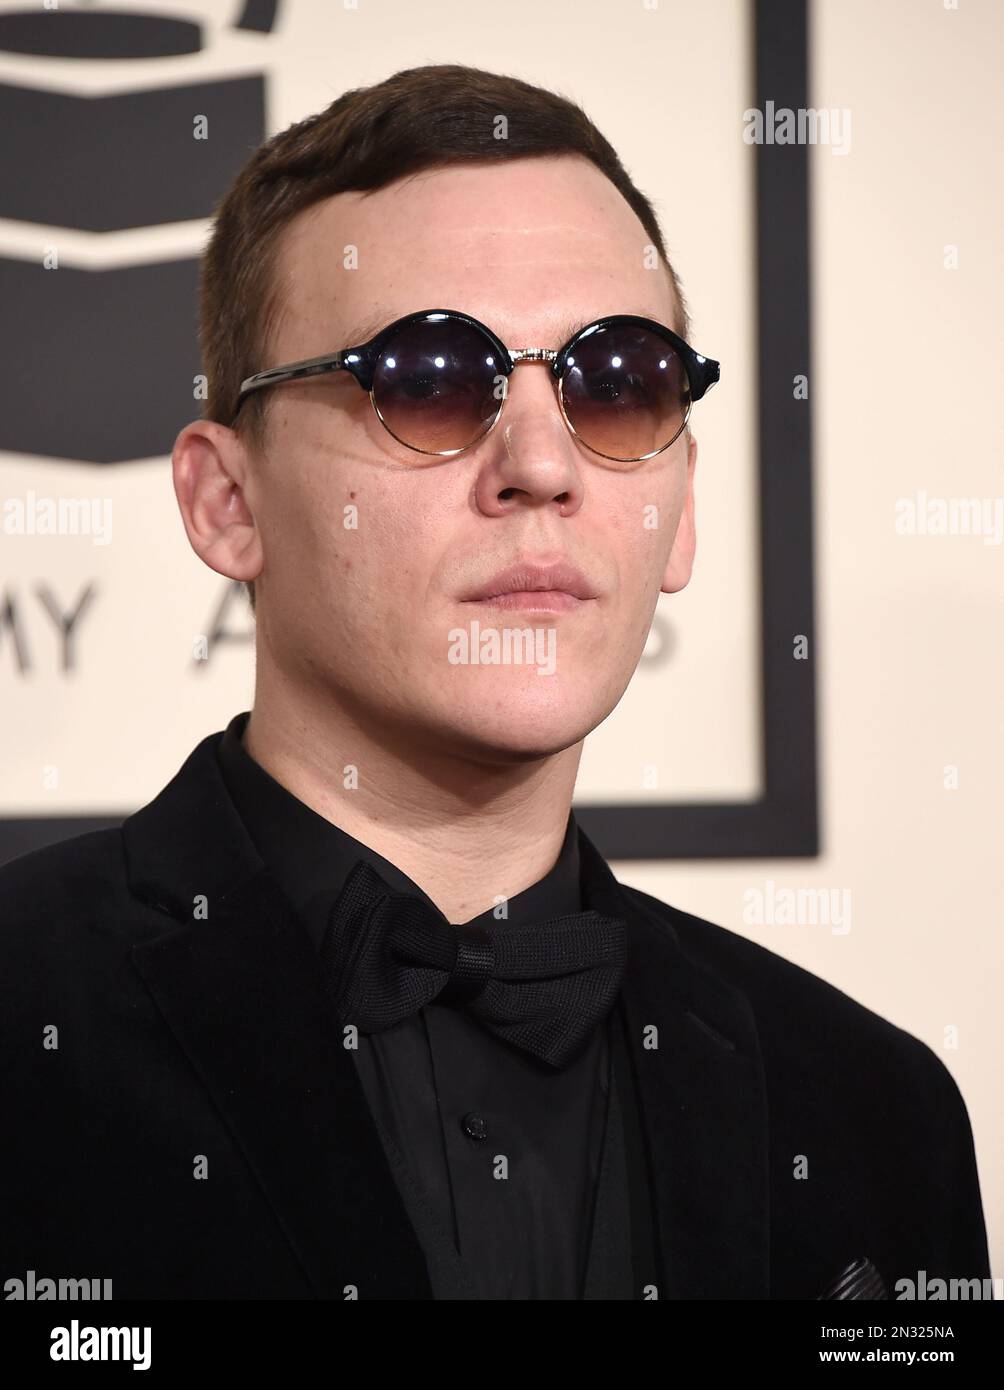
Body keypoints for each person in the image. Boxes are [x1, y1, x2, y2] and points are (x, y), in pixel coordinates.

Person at [0, 63, 989, 1301]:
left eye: (616, 384)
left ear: (679, 511)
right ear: (226, 499)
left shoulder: (871, 1117)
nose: (540, 464)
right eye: (428, 377)